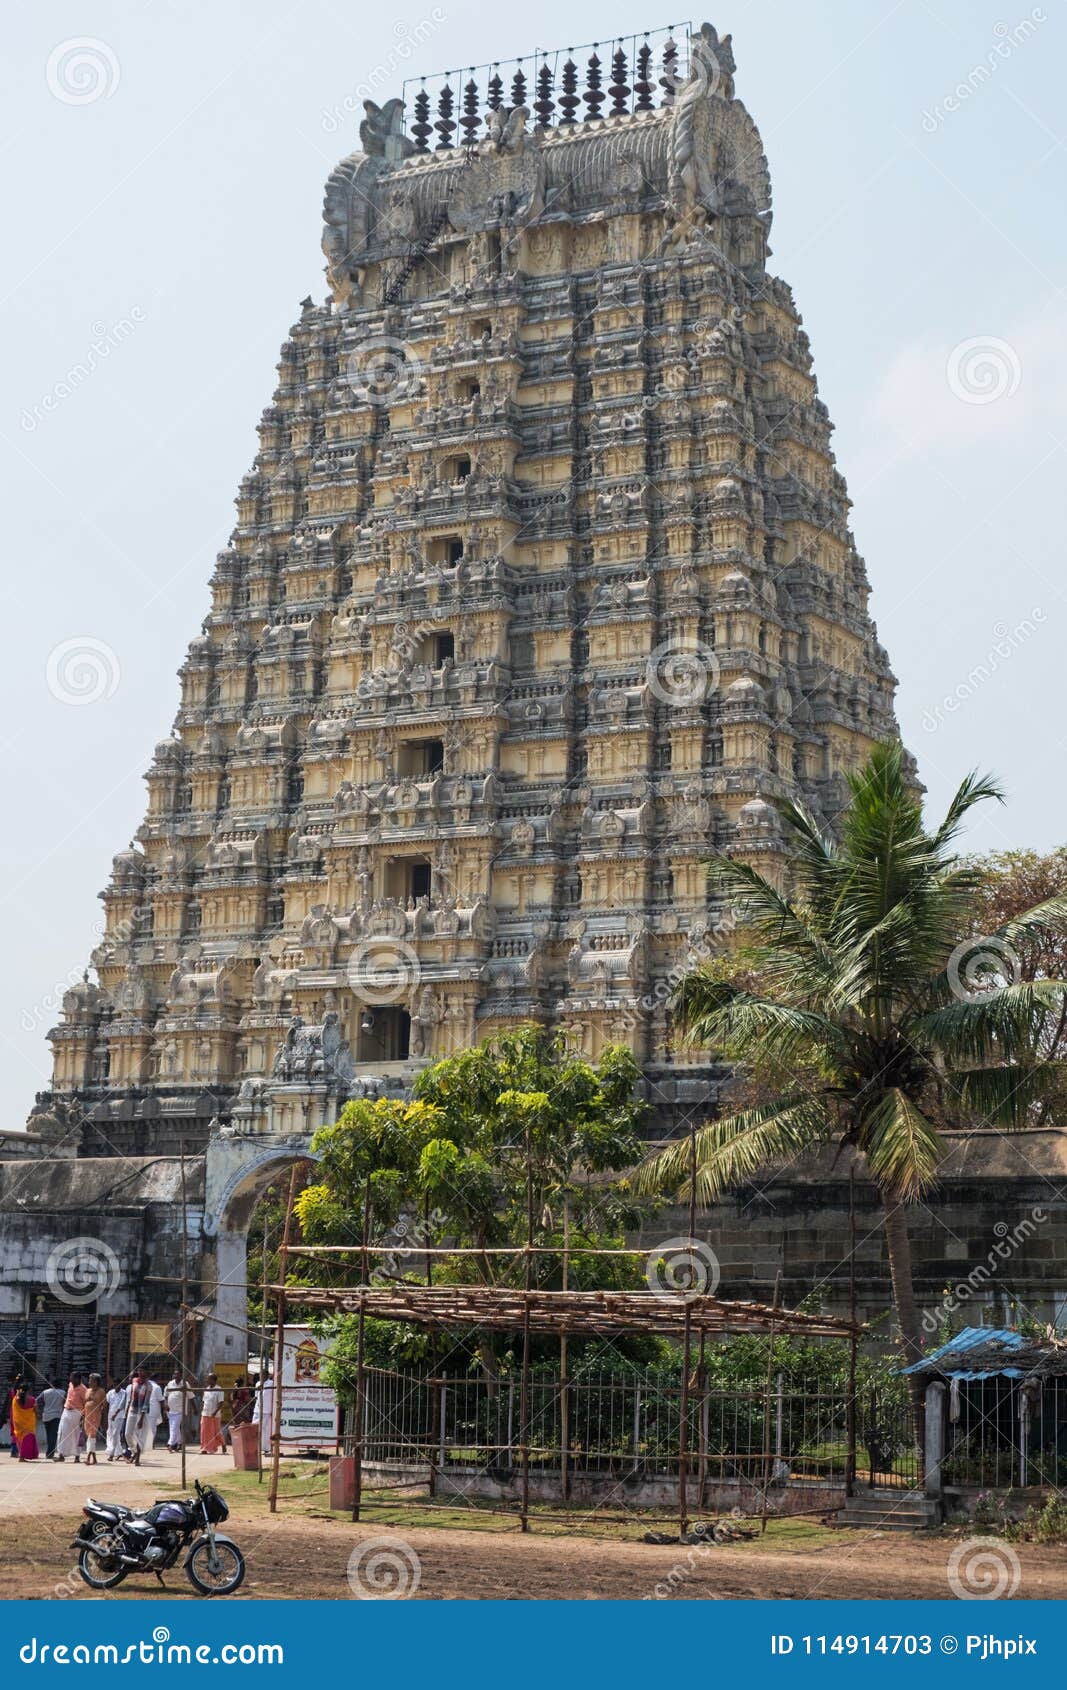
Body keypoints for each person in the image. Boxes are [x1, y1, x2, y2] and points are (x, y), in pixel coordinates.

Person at [123, 1368, 154, 1466]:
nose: (141, 1373)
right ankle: (134, 1451)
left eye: (143, 1371)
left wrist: (141, 1418)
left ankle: (138, 1458)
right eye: (140, 1371)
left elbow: (146, 1402)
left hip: (141, 1413)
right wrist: (127, 1410)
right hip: (132, 1410)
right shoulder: (134, 1381)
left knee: (139, 1436)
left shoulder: (149, 1386)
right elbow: (131, 1397)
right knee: (127, 1434)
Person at [54, 1372, 86, 1462]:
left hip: (77, 1412)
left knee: (76, 1435)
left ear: (79, 1379)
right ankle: (61, 1455)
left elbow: (86, 1404)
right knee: (61, 1432)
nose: (71, 1379)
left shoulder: (83, 1389)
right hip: (66, 1410)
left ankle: (77, 1456)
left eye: (73, 1378)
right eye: (70, 1377)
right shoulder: (70, 1384)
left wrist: (83, 1416)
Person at [9, 1384, 39, 1461]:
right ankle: (24, 1456)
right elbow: (36, 1411)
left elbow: (13, 1412)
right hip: (29, 1424)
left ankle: (21, 1457)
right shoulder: (32, 1400)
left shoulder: (15, 1399)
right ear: (28, 1390)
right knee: (28, 1440)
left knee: (20, 1439)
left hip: (18, 1424)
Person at [82, 1374, 106, 1466]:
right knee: (89, 1436)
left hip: (96, 1417)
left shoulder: (101, 1391)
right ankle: (94, 1458)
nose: (89, 1382)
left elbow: (104, 1407)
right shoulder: (87, 1391)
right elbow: (85, 1403)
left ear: (96, 1382)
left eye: (91, 1380)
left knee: (92, 1436)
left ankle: (88, 1457)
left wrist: (104, 1421)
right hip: (87, 1416)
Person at [199, 1374, 225, 1454]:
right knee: (204, 1432)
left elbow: (221, 1403)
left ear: (214, 1380)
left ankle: (223, 1444)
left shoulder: (219, 1389)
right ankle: (205, 1448)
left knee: (216, 1432)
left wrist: (215, 1412)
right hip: (205, 1413)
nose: (207, 1380)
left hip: (215, 1415)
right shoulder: (206, 1389)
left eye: (209, 1379)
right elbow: (204, 1401)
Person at [38, 1381, 64, 1458]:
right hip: (56, 1416)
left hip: (46, 1416)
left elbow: (37, 1400)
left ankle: (49, 1452)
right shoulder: (62, 1392)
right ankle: (50, 1453)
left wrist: (39, 1410)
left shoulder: (45, 1392)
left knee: (49, 1435)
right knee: (53, 1435)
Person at [105, 1378, 128, 1461]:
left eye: (117, 1383)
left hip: (120, 1417)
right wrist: (105, 1417)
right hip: (110, 1416)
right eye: (114, 1383)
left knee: (115, 1434)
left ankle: (112, 1454)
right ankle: (119, 1452)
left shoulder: (124, 1393)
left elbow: (122, 1405)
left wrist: (116, 1414)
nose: (115, 1385)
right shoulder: (110, 1393)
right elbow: (107, 1405)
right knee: (111, 1434)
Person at [165, 1373, 186, 1452]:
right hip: (170, 1410)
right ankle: (179, 1443)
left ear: (181, 1376)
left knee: (174, 1427)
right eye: (174, 1374)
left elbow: (190, 1395)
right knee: (175, 1428)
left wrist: (194, 1408)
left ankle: (170, 1444)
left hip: (180, 1410)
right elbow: (166, 1395)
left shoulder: (185, 1383)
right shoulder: (170, 1383)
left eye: (177, 1374)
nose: (175, 1376)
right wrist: (166, 1404)